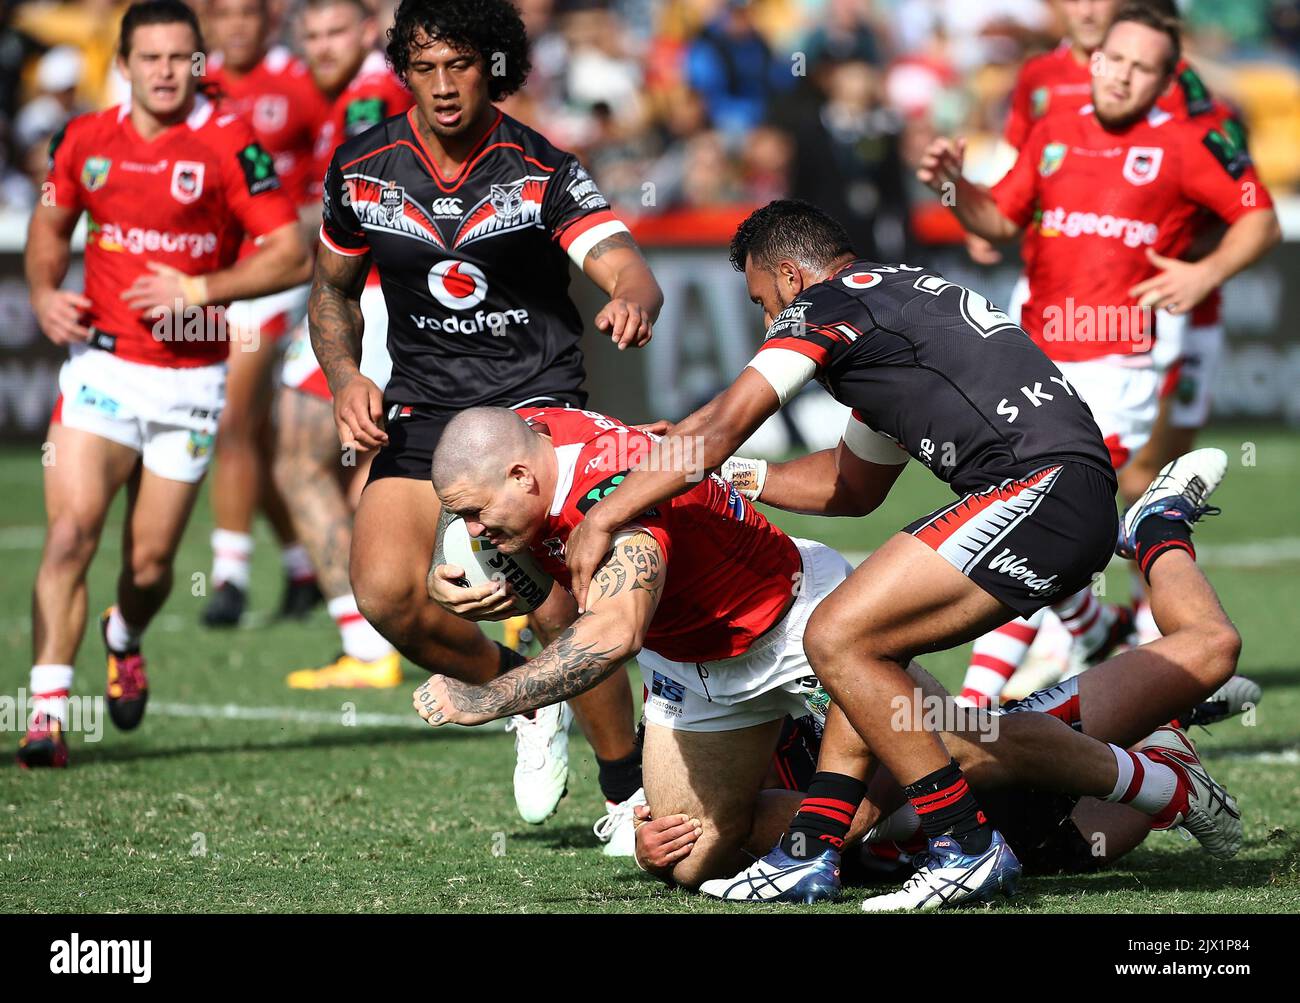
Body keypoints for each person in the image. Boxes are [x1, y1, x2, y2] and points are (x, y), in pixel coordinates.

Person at [416, 407, 1241, 908]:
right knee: (691, 851)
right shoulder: (530, 437)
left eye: (481, 517)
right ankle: (1153, 745)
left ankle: (1163, 774)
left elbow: (611, 634)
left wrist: (494, 696)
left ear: (527, 472)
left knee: (954, 742)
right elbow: (529, 542)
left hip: (791, 618)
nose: (478, 533)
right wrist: (484, 574)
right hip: (700, 663)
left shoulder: (615, 500)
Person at [307, 0, 661, 841]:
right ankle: (528, 700)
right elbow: (330, 290)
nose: (442, 87)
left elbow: (627, 268)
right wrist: (347, 376)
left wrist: (631, 298)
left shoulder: (542, 168)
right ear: (404, 72)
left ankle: (625, 792)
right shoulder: (362, 168)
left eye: (460, 66)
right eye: (424, 68)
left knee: (553, 606)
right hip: (423, 407)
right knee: (385, 596)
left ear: (494, 66)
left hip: (533, 408)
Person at [17, 0, 310, 769]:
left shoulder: (226, 140)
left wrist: (200, 289)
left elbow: (290, 253)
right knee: (72, 532)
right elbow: (49, 227)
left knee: (148, 568)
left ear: (199, 64)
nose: (165, 72)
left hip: (188, 381)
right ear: (124, 64)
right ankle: (47, 710)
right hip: (101, 370)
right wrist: (47, 293)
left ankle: (127, 634)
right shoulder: (83, 139)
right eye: (150, 58)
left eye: (181, 58)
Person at [960, 0, 1270, 698]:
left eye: (1143, 64)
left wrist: (1204, 271)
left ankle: (978, 706)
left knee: (1049, 506)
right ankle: (1099, 632)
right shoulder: (1043, 96)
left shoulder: (1192, 127)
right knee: (1024, 501)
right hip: (1039, 324)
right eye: (1115, 58)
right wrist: (960, 194)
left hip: (1126, 349)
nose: (1090, 12)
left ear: (1166, 73)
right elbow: (1004, 210)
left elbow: (1253, 209)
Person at [274, 0, 411, 692]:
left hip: (375, 296)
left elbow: (353, 196)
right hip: (381, 296)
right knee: (374, 461)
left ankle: (366, 644)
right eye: (313, 35)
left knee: (299, 458)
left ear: (366, 34)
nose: (325, 46)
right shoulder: (345, 99)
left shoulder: (367, 97)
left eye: (338, 32)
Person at [199, 0, 331, 627]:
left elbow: (337, 175)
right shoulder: (199, 84)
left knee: (232, 418)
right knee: (257, 435)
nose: (235, 26)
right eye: (221, 14)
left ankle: (228, 578)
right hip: (217, 275)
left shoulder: (302, 84)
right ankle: (303, 566)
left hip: (283, 273)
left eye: (246, 12)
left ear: (268, 17)